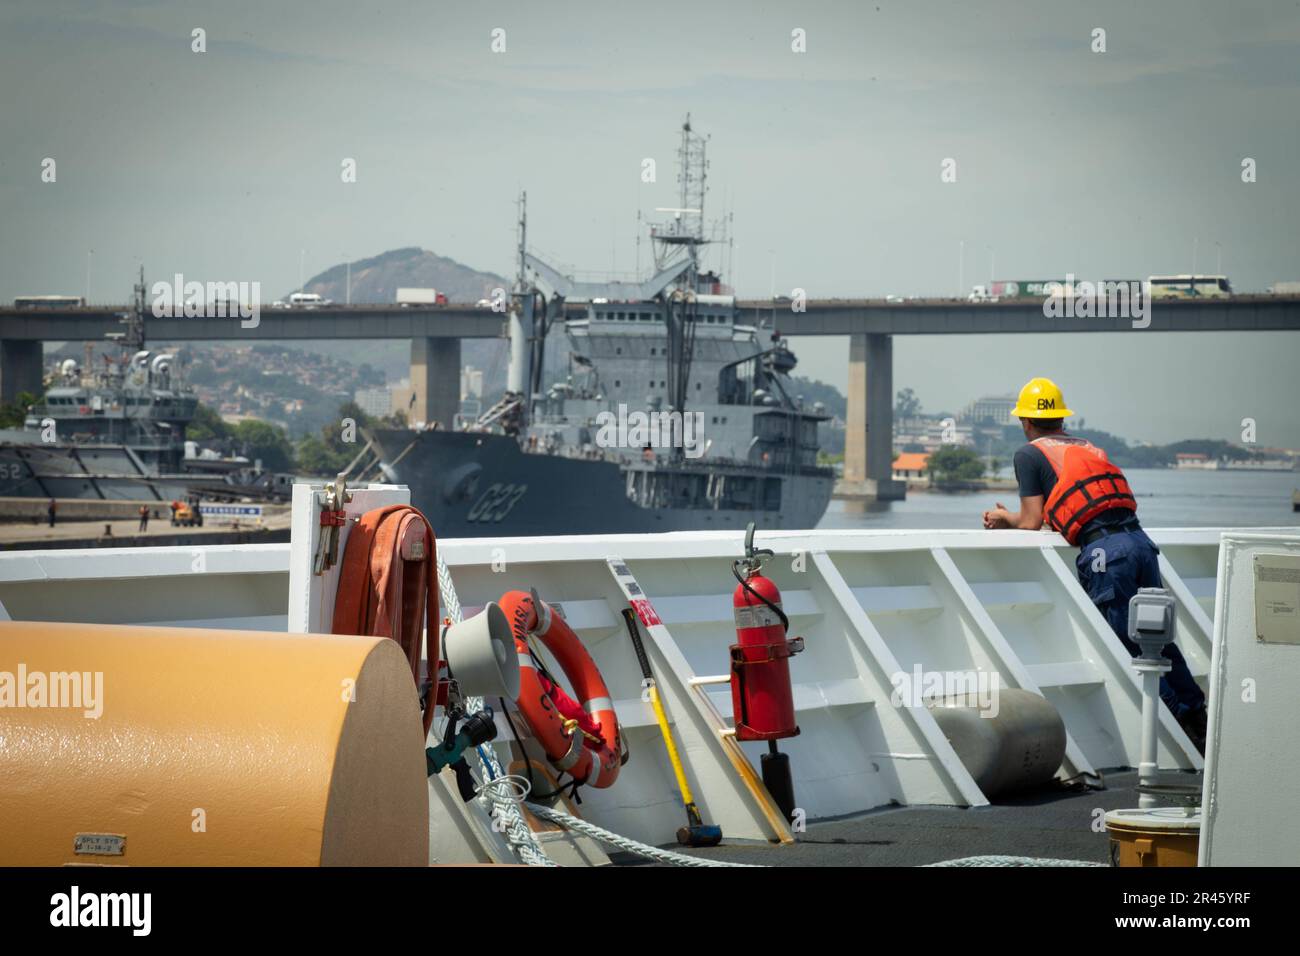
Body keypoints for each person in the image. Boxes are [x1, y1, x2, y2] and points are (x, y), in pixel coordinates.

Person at [982, 377, 1209, 753]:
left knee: (1129, 646)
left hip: (1107, 553)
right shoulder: (1085, 445)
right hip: (1140, 543)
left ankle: (1181, 735)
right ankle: (1198, 718)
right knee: (1158, 641)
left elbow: (1031, 520)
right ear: (1060, 417)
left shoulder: (1028, 454)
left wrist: (1001, 517)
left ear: (1025, 421)